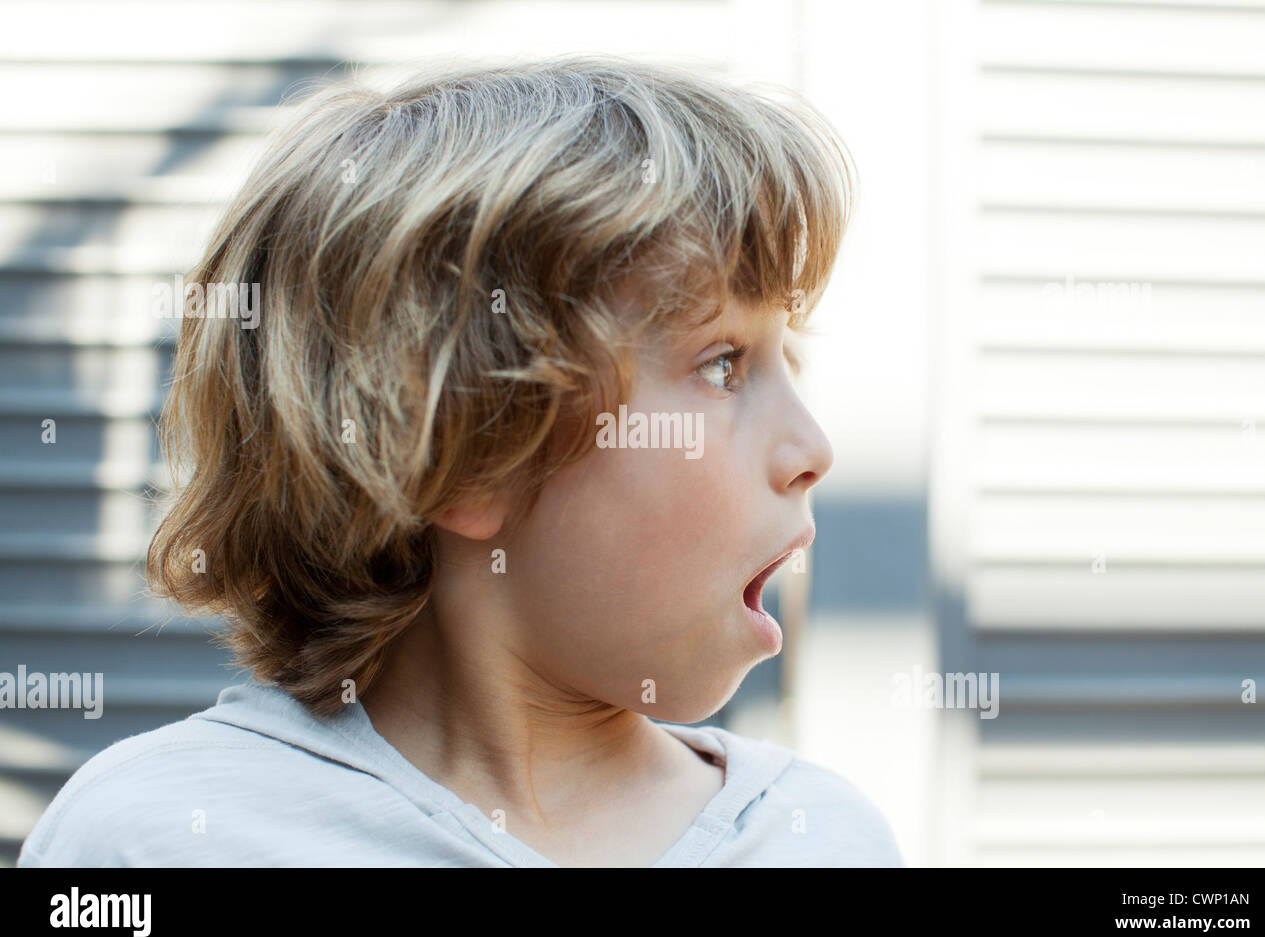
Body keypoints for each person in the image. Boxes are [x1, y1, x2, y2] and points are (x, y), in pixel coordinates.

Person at [18, 54, 902, 867]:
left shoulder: (819, 838)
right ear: (464, 451)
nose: (812, 450)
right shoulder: (154, 840)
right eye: (721, 363)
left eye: (791, 356)